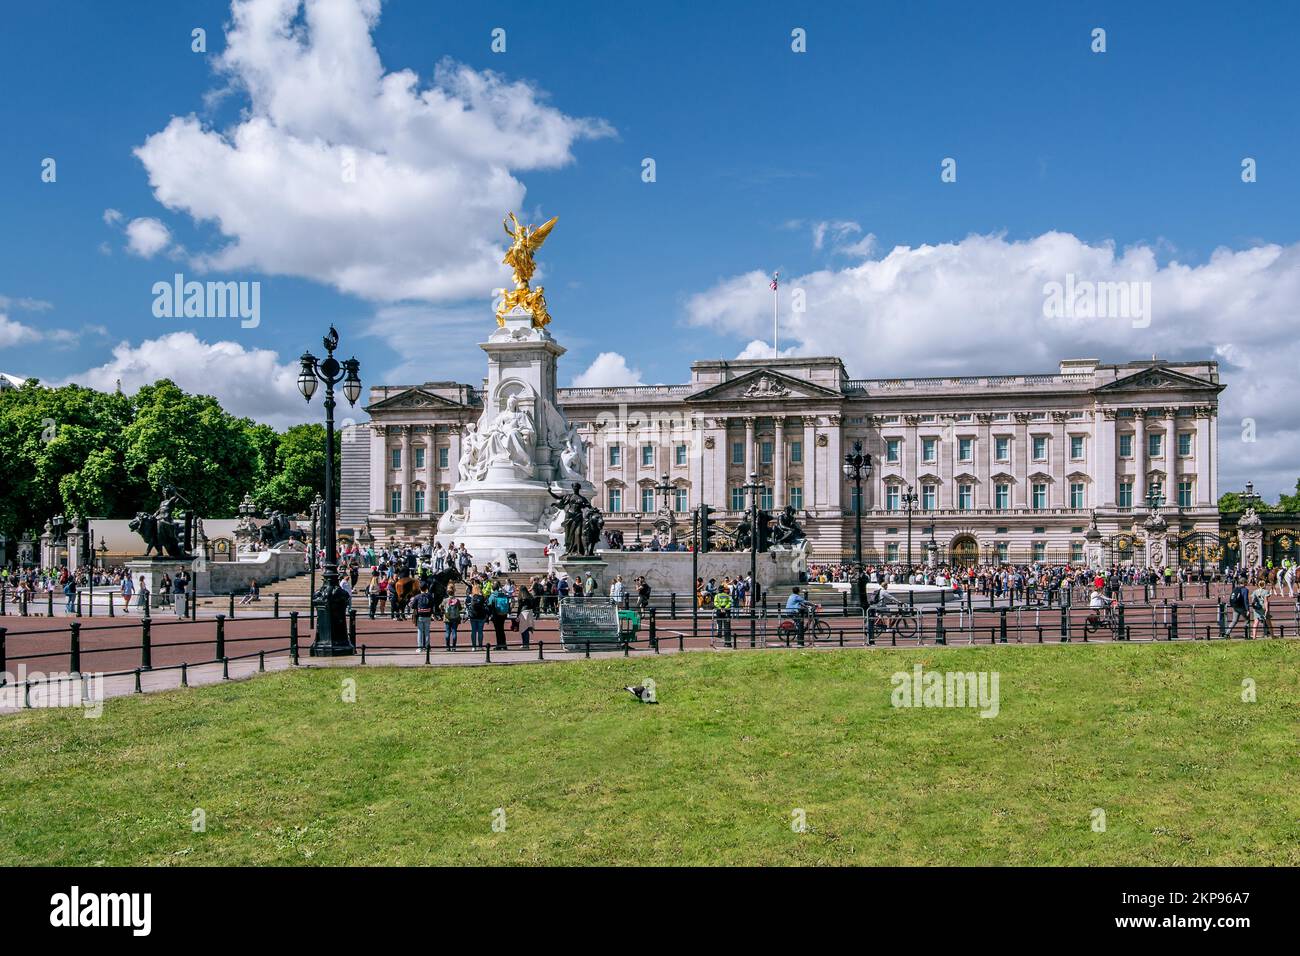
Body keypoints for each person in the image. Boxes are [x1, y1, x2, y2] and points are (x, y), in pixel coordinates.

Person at [412, 584, 434, 651]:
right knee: (427, 632)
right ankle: (427, 647)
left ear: (420, 588)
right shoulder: (430, 596)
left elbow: (413, 606)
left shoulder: (417, 597)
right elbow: (432, 605)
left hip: (420, 615)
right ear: (426, 588)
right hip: (428, 615)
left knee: (420, 632)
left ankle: (420, 647)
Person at [467, 583, 488, 650]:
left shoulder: (471, 597)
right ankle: (480, 646)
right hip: (481, 616)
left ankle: (473, 646)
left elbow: (467, 605)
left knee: (473, 631)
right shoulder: (482, 597)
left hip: (473, 616)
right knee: (480, 631)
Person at [443, 585, 462, 650]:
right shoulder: (457, 600)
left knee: (447, 632)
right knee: (454, 632)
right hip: (455, 618)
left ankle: (447, 647)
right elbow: (460, 608)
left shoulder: (445, 600)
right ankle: (454, 646)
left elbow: (440, 607)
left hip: (447, 618)